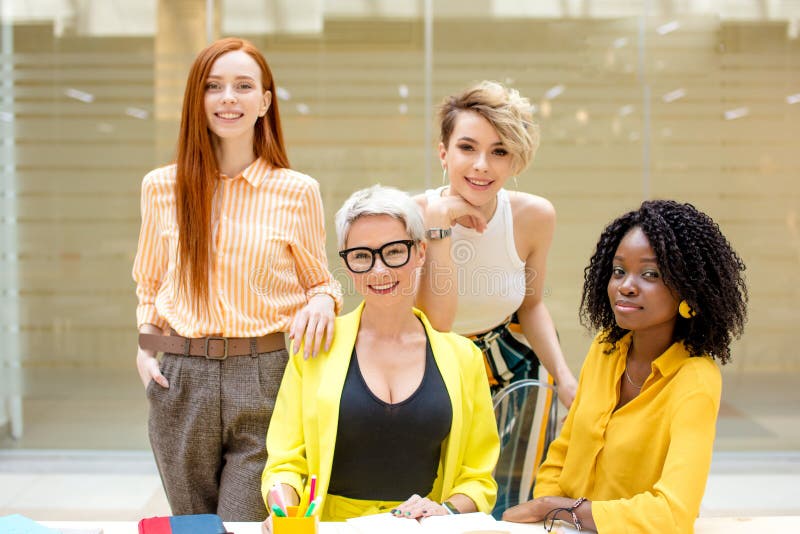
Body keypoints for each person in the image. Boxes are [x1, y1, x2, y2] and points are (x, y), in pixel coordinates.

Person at [132, 37, 342, 521]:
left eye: (243, 86)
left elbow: (320, 280)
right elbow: (149, 282)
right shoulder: (162, 187)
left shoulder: (297, 191)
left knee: (243, 525)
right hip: (182, 376)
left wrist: (322, 302)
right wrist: (145, 351)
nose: (228, 97)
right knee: (193, 527)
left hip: (267, 373)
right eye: (214, 86)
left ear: (265, 101)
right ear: (197, 99)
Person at [260, 186, 499, 529]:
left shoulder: (464, 358)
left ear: (419, 252)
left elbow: (478, 477)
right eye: (362, 256)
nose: (379, 271)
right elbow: (284, 463)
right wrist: (285, 511)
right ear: (347, 262)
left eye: (394, 251)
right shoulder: (316, 347)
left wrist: (445, 510)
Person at [502, 200, 748, 533]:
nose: (626, 286)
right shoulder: (606, 349)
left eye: (650, 274)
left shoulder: (695, 379)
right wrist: (552, 517)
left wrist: (553, 508)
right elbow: (562, 450)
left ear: (688, 289)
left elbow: (673, 513)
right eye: (619, 271)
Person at [416, 80, 577, 408]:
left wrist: (563, 376)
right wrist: (437, 222)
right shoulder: (407, 217)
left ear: (514, 161)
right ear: (443, 153)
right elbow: (435, 323)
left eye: (499, 151)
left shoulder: (534, 216)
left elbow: (532, 306)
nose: (482, 165)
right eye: (467, 147)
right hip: (429, 362)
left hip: (514, 361)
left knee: (526, 460)